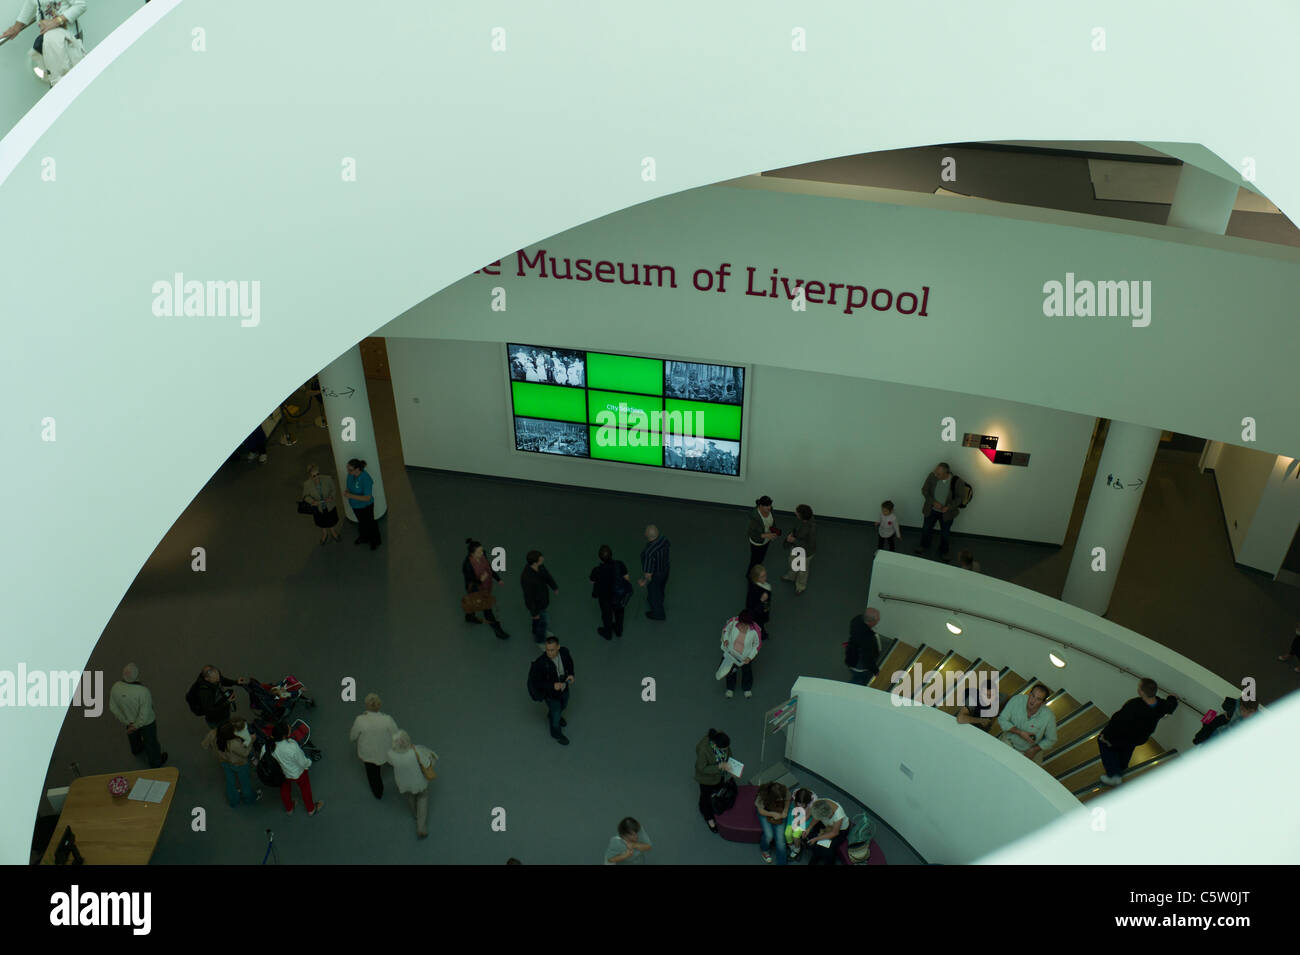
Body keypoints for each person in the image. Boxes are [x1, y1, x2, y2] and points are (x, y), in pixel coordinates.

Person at [1097, 678, 1178, 786]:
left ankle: (1113, 776)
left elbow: (1117, 722)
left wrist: (1106, 737)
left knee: (1104, 744)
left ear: (1141, 692)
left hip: (1121, 737)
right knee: (1128, 748)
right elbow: (1171, 706)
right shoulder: (1161, 705)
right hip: (1139, 738)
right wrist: (1172, 698)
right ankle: (1123, 768)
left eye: (1139, 687)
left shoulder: (1133, 705)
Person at [1, 1, 87, 88]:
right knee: (58, 78)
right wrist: (16, 27)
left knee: (74, 76)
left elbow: (81, 5)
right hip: (51, 41)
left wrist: (55, 22)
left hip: (70, 37)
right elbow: (30, 4)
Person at [108, 663, 167, 768]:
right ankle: (156, 762)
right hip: (146, 723)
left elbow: (113, 708)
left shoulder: (115, 686)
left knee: (133, 738)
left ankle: (137, 750)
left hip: (128, 721)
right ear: (137, 676)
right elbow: (144, 714)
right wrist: (136, 725)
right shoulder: (143, 691)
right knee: (151, 742)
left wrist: (127, 723)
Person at [200, 718, 261, 807]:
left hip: (224, 761)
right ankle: (249, 798)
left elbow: (204, 745)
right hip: (240, 764)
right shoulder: (233, 743)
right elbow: (245, 753)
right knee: (245, 782)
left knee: (230, 782)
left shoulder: (213, 733)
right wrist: (252, 740)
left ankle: (233, 801)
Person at [915, 462, 970, 562]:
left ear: (946, 473)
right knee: (926, 528)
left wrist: (949, 507)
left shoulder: (956, 481)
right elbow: (924, 490)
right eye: (936, 471)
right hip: (931, 509)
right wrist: (933, 502)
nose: (936, 474)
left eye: (939, 474)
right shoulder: (932, 476)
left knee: (945, 533)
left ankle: (944, 551)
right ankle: (924, 545)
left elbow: (960, 498)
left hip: (946, 513)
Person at [349, 693, 400, 799]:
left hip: (368, 754)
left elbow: (353, 737)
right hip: (384, 751)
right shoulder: (387, 719)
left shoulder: (360, 720)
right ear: (379, 705)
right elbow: (396, 734)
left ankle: (378, 793)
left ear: (367, 706)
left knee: (373, 775)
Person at [388, 730, 435, 839]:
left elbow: (391, 763)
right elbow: (427, 763)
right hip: (419, 783)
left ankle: (415, 814)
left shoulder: (391, 755)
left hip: (404, 783)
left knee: (410, 797)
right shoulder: (415, 751)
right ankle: (421, 827)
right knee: (423, 798)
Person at [528, 637, 575, 745]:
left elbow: (570, 663)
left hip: (564, 687)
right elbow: (536, 682)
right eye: (547, 650)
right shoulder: (540, 663)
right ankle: (556, 733)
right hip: (551, 694)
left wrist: (571, 674)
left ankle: (552, 715)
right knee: (556, 712)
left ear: (558, 647)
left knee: (564, 704)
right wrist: (552, 685)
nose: (549, 653)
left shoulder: (564, 652)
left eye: (552, 650)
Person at [270, 722, 322, 816]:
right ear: (284, 735)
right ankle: (311, 809)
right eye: (288, 727)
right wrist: (309, 763)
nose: (290, 727)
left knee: (285, 789)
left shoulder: (271, 746)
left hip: (284, 773)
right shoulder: (292, 746)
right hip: (298, 773)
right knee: (305, 789)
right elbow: (302, 762)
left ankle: (289, 808)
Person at [997, 684, 1057, 764]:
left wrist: (1034, 750)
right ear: (1029, 693)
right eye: (1032, 695)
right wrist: (1020, 732)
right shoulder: (1017, 700)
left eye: (1038, 699)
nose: (1033, 701)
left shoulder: (1048, 716)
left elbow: (1051, 739)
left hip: (1031, 750)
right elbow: (1002, 719)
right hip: (1009, 741)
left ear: (1043, 703)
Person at [462, 538, 508, 638]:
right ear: (472, 554)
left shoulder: (483, 555)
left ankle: (469, 616)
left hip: (486, 586)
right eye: (479, 551)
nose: (482, 553)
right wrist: (480, 580)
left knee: (473, 602)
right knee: (488, 611)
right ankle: (498, 631)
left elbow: (489, 568)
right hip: (476, 589)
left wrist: (497, 578)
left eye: (482, 550)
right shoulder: (467, 565)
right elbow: (470, 580)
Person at [693, 728, 736, 833]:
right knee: (706, 799)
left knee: (718, 791)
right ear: (716, 746)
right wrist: (719, 766)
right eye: (723, 749)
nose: (726, 750)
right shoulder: (704, 750)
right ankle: (708, 817)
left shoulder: (721, 740)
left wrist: (732, 766)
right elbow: (701, 768)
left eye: (727, 748)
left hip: (719, 776)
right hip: (706, 780)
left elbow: (728, 753)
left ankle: (715, 803)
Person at [715, 608, 762, 700]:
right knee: (730, 671)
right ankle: (730, 688)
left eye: (745, 625)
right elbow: (725, 631)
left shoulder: (756, 630)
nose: (742, 627)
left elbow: (757, 645)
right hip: (731, 653)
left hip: (745, 657)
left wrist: (749, 657)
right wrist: (726, 639)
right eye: (741, 624)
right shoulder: (733, 622)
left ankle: (747, 688)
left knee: (747, 672)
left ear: (750, 623)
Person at [589, 545, 631, 640]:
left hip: (605, 598)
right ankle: (619, 631)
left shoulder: (596, 570)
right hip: (618, 596)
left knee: (606, 616)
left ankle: (608, 633)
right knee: (619, 613)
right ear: (611, 555)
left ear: (599, 558)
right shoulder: (620, 564)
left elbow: (592, 581)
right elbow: (627, 579)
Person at [190, 665, 249, 729]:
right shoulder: (205, 692)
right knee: (222, 734)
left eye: (218, 675)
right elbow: (210, 712)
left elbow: (223, 680)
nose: (218, 679)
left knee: (227, 727)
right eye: (215, 679)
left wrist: (236, 682)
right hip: (216, 720)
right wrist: (227, 702)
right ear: (207, 679)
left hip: (223, 712)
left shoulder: (215, 677)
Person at [521, 550, 559, 643]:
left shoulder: (540, 566)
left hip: (543, 599)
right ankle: (540, 639)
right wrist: (534, 613)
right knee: (543, 622)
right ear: (534, 562)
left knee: (537, 621)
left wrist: (554, 587)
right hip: (537, 604)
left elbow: (547, 576)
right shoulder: (526, 577)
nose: (543, 560)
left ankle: (535, 631)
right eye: (541, 559)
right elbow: (528, 597)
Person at [344, 459, 381, 550]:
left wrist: (350, 495)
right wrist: (348, 491)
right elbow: (349, 486)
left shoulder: (366, 479)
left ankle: (374, 541)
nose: (348, 471)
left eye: (350, 469)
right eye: (348, 469)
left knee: (370, 523)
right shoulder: (350, 475)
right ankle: (364, 537)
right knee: (362, 522)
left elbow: (367, 497)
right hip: (355, 506)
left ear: (357, 469)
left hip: (365, 506)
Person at [780, 504, 816, 594]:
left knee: (802, 570)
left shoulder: (811, 528)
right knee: (792, 562)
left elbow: (810, 545)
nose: (795, 512)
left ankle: (800, 586)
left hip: (806, 552)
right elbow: (796, 529)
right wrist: (792, 535)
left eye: (797, 512)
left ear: (802, 515)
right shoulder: (800, 520)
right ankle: (791, 576)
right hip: (796, 547)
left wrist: (794, 540)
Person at [302, 464, 342, 545]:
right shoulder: (307, 484)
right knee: (321, 521)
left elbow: (333, 489)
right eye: (314, 476)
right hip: (318, 507)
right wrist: (312, 501)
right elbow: (305, 496)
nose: (316, 477)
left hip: (329, 505)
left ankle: (333, 531)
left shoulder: (327, 478)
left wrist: (331, 497)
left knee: (331, 519)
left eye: (318, 474)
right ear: (310, 476)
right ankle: (324, 533)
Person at [639, 524, 670, 620]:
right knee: (660, 588)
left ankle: (658, 614)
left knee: (654, 593)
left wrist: (644, 581)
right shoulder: (664, 539)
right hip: (665, 569)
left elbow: (648, 573)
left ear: (647, 536)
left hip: (656, 575)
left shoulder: (649, 552)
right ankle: (659, 599)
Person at [754, 781, 790, 865]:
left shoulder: (784, 790)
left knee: (780, 840)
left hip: (779, 809)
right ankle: (764, 850)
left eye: (782, 798)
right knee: (769, 835)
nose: (781, 799)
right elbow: (761, 811)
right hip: (766, 811)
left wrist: (785, 811)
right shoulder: (761, 796)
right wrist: (772, 814)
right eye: (779, 798)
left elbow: (787, 800)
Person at [806, 798, 850, 865]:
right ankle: (816, 856)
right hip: (827, 824)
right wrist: (809, 828)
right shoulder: (820, 803)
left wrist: (817, 838)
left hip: (840, 830)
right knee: (812, 837)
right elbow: (816, 817)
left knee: (828, 849)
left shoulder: (838, 815)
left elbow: (834, 833)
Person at [845, 608, 881, 686]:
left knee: (857, 678)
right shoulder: (869, 639)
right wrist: (875, 671)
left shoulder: (857, 620)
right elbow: (867, 658)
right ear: (870, 622)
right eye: (877, 619)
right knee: (859, 680)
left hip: (851, 657)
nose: (879, 620)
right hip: (859, 667)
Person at [745, 496, 780, 572]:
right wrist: (766, 535)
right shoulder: (754, 517)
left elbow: (772, 523)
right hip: (757, 543)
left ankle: (757, 571)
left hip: (766, 541)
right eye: (767, 506)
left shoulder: (770, 510)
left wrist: (774, 532)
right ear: (760, 506)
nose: (769, 507)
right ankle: (750, 576)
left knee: (761, 558)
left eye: (770, 505)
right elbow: (750, 533)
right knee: (754, 561)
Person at [785, 788, 816, 861]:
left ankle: (797, 849)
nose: (800, 805)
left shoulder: (813, 801)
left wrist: (799, 822)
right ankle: (792, 846)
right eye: (799, 803)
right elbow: (796, 808)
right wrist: (795, 820)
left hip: (806, 816)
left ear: (807, 802)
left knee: (795, 835)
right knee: (787, 833)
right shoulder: (796, 794)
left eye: (802, 804)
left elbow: (808, 815)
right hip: (796, 812)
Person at [745, 564, 773, 641]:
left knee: (760, 625)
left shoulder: (762, 585)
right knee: (759, 626)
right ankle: (760, 636)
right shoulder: (754, 590)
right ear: (756, 578)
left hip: (763, 611)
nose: (765, 578)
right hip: (758, 615)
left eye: (765, 575)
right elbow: (750, 606)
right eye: (762, 576)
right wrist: (761, 600)